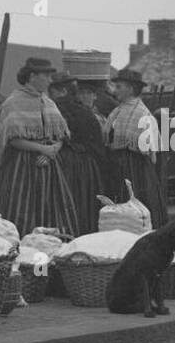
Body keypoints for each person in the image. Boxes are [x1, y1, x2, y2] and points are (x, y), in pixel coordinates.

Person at [0, 57, 80, 236]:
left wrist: (54, 149)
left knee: (53, 208)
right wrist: (42, 149)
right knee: (22, 208)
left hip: (50, 165)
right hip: (22, 166)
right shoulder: (13, 102)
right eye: (45, 75)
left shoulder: (49, 102)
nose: (49, 80)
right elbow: (12, 139)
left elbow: (62, 134)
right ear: (31, 76)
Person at [103, 69, 168, 227]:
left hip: (136, 167)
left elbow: (152, 153)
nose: (115, 91)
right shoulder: (118, 111)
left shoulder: (142, 113)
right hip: (118, 165)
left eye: (119, 87)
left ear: (130, 89)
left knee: (137, 205)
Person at [49, 70, 107, 234]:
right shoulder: (86, 113)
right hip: (86, 165)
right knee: (83, 203)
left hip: (61, 162)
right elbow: (98, 145)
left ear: (62, 91)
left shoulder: (52, 110)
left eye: (52, 91)